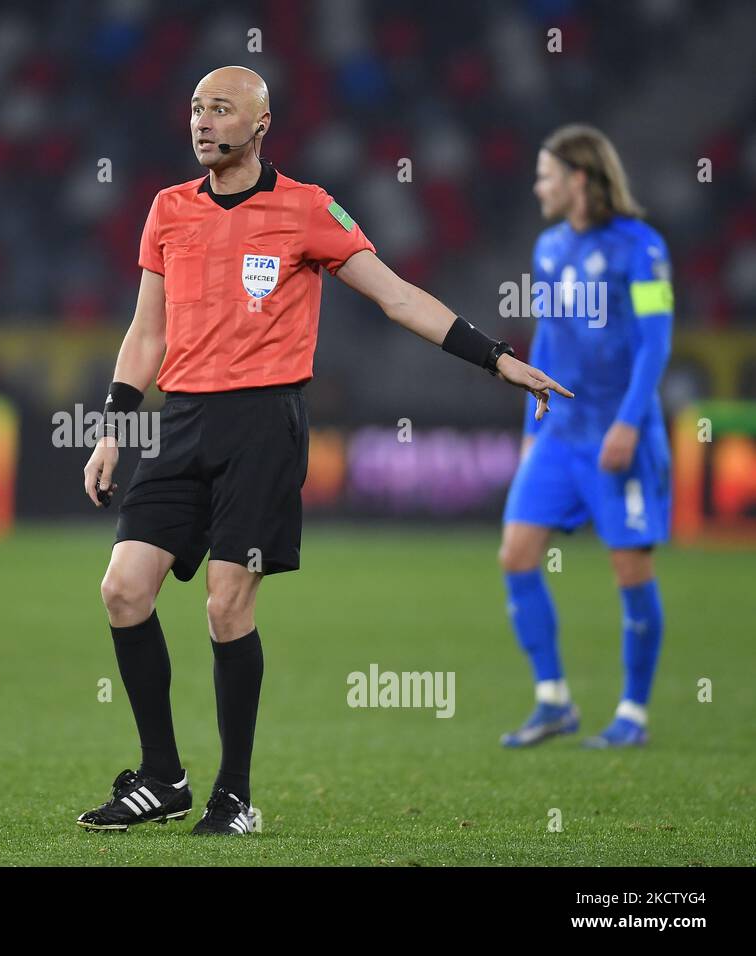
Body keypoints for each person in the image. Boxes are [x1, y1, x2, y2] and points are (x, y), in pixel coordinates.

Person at [77, 66, 571, 835]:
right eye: (197, 109)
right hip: (180, 424)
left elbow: (397, 295)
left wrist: (497, 358)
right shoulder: (169, 210)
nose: (203, 123)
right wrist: (112, 425)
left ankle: (233, 796)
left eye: (221, 109)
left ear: (261, 123)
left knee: (225, 605)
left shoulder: (307, 210)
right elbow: (147, 331)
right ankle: (161, 776)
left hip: (264, 427)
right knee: (122, 590)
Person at [499, 124, 673, 749]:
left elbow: (656, 342)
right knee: (516, 555)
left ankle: (633, 711)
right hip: (560, 437)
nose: (536, 185)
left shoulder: (642, 248)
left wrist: (629, 422)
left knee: (630, 568)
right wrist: (530, 428)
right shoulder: (548, 249)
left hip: (619, 435)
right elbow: (546, 339)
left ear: (578, 179)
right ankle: (553, 701)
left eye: (546, 174)